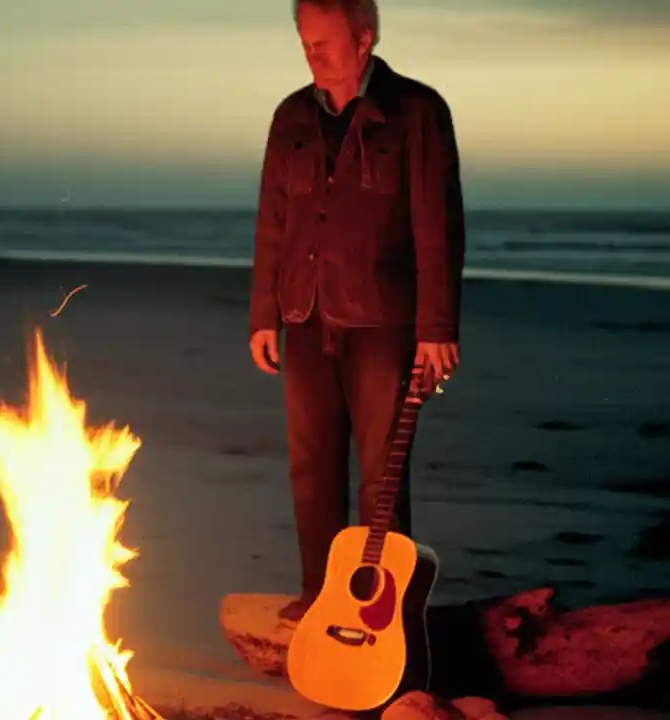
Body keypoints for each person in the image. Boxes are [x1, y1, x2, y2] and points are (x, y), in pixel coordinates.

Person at [247, 0, 466, 621]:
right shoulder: (291, 117)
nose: (311, 53)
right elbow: (273, 223)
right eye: (304, 41)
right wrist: (263, 313)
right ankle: (319, 597)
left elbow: (439, 227)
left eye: (323, 41)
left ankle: (378, 613)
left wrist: (437, 328)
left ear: (364, 38)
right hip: (304, 318)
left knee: (381, 480)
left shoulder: (417, 111)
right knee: (311, 469)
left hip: (384, 323)